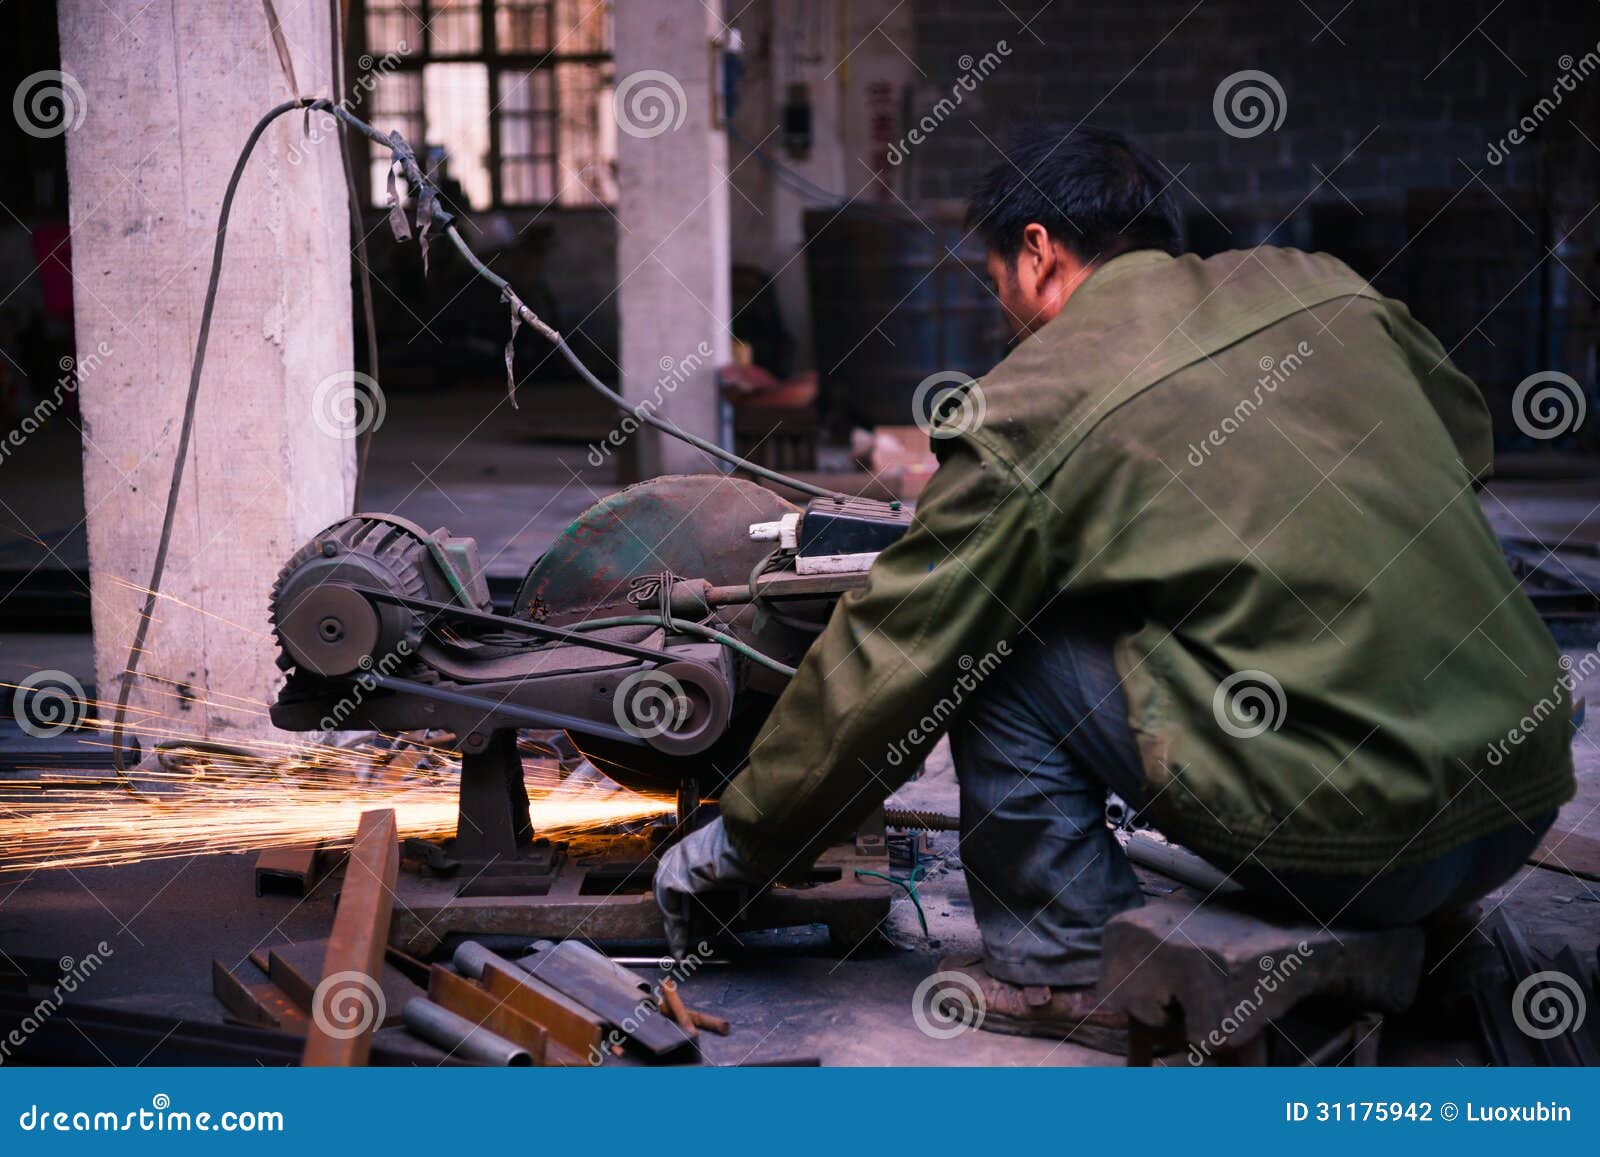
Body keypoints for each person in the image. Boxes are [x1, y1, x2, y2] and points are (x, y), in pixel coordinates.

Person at [653, 126, 1574, 1050]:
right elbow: (1465, 441)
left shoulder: (1033, 398)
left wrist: (746, 836)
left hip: (1356, 849)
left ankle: (1068, 963)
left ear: (1040, 251)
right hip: (1518, 801)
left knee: (992, 642)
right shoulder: (1323, 285)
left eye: (996, 279)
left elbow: (894, 649)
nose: (1002, 307)